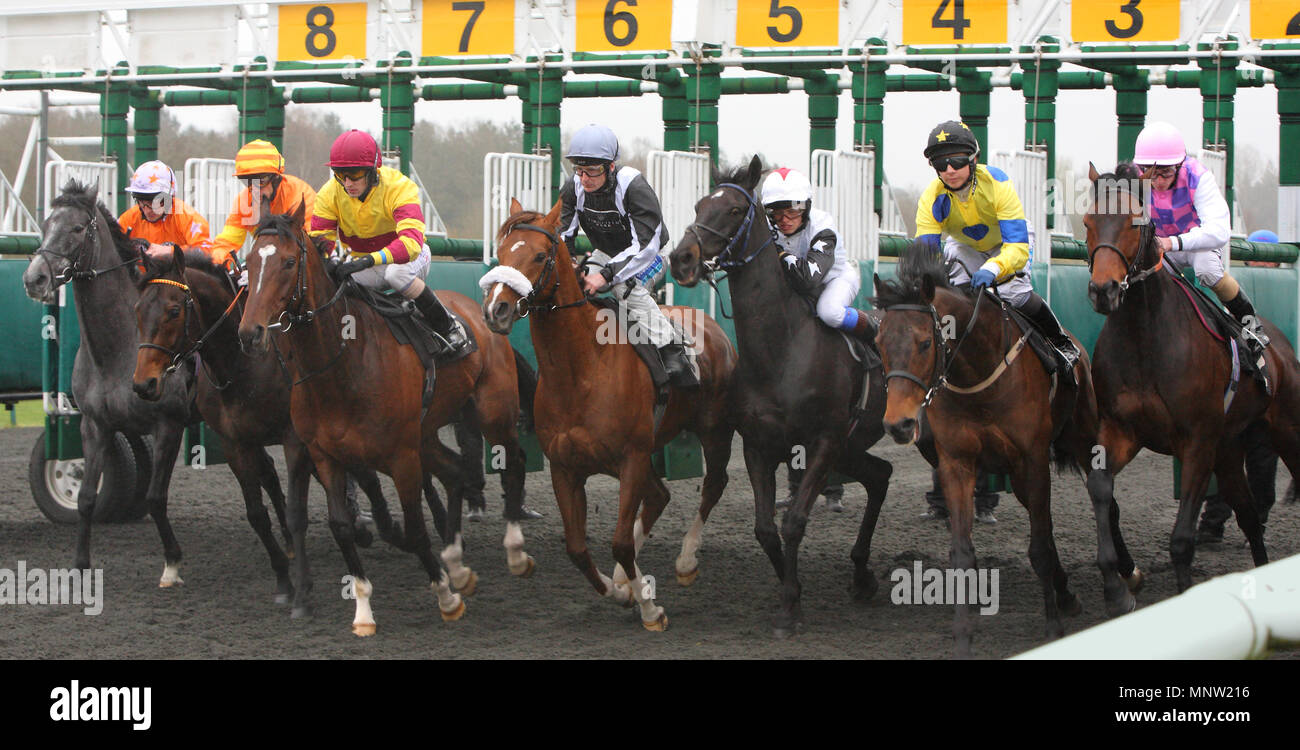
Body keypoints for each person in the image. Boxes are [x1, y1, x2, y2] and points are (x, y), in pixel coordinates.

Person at [914, 120, 1077, 381]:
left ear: (973, 158)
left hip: (1009, 241)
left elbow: (1017, 248)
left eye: (956, 161)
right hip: (964, 245)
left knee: (1015, 294)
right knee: (953, 298)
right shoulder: (931, 197)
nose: (949, 170)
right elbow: (924, 256)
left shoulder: (997, 183)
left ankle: (1060, 342)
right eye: (940, 164)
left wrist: (993, 267)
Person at [558, 123, 694, 386]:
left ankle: (671, 349)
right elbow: (564, 236)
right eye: (579, 169)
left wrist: (606, 275)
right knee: (570, 285)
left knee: (623, 287)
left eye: (593, 170)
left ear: (610, 167)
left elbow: (645, 246)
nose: (585, 178)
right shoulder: (573, 187)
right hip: (606, 253)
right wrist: (571, 265)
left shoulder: (633, 185)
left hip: (651, 254)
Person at [310, 129, 468, 354]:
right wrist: (332, 261)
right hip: (365, 264)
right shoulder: (328, 193)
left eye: (354, 174)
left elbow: (411, 244)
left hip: (410, 258)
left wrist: (368, 260)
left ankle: (448, 326)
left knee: (395, 274)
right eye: (340, 173)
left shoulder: (400, 187)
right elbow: (320, 241)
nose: (347, 183)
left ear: (373, 171)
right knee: (330, 280)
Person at [1132, 121, 1269, 359]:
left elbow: (1219, 230)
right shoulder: (1133, 179)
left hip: (1196, 244)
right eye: (1151, 172)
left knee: (1207, 270)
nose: (1158, 181)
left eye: (1166, 172)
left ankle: (1250, 324)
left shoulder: (1198, 177)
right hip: (1160, 248)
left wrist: (1173, 242)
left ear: (1179, 165)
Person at [760, 167, 876, 343]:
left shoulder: (822, 226)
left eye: (792, 211)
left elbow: (808, 279)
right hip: (795, 283)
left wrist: (780, 253)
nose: (784, 220)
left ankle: (874, 332)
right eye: (776, 212)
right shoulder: (769, 227)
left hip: (834, 279)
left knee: (829, 312)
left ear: (806, 207)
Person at [209, 139, 317, 272]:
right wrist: (220, 265)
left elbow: (312, 248)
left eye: (260, 181)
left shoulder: (301, 196)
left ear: (276, 177)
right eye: (248, 181)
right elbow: (225, 244)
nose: (254, 189)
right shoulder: (243, 201)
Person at [119, 160, 213, 258]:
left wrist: (171, 250)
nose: (147, 211)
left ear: (170, 197)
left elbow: (206, 251)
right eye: (142, 203)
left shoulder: (188, 217)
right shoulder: (128, 219)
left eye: (155, 203)